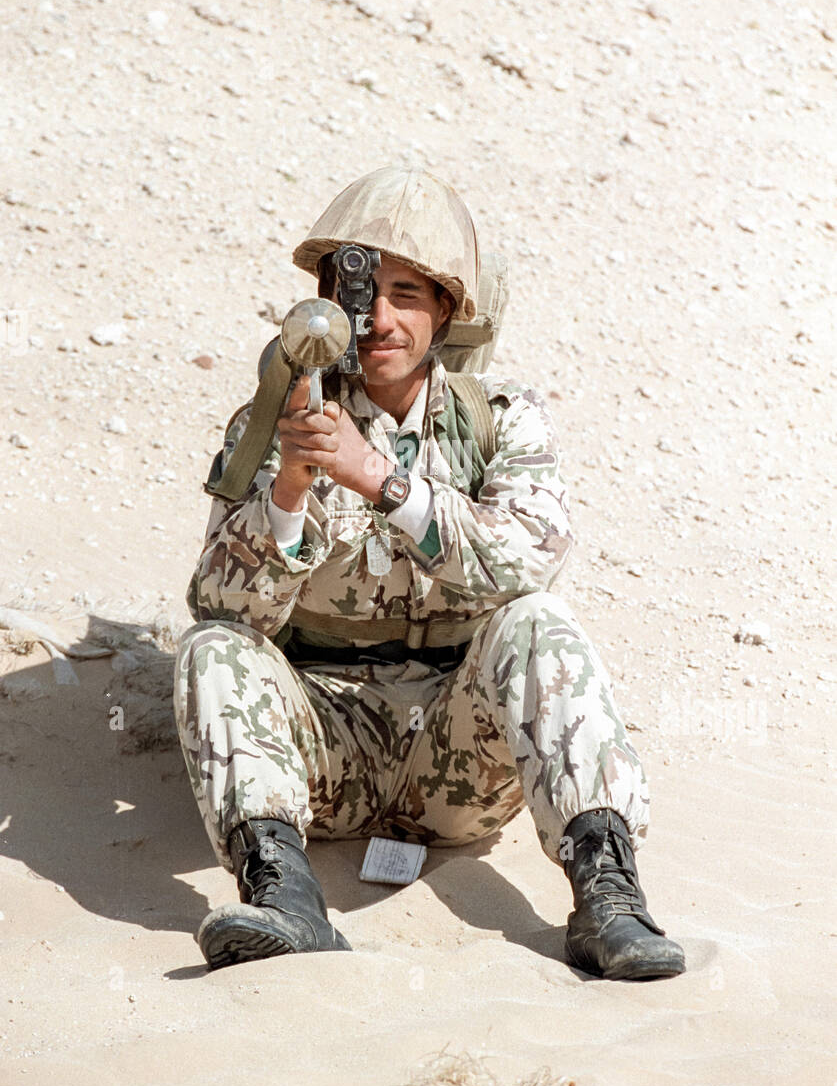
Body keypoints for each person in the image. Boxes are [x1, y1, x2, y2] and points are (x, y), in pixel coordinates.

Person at [173, 166, 686, 981]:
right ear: (323, 300)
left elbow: (527, 561)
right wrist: (291, 489)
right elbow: (222, 605)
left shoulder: (500, 420)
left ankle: (607, 899)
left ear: (445, 309)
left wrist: (376, 476)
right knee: (211, 648)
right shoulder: (274, 418)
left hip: (460, 759)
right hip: (321, 756)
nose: (377, 319)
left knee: (539, 624)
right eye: (360, 291)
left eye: (406, 294)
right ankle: (283, 896)